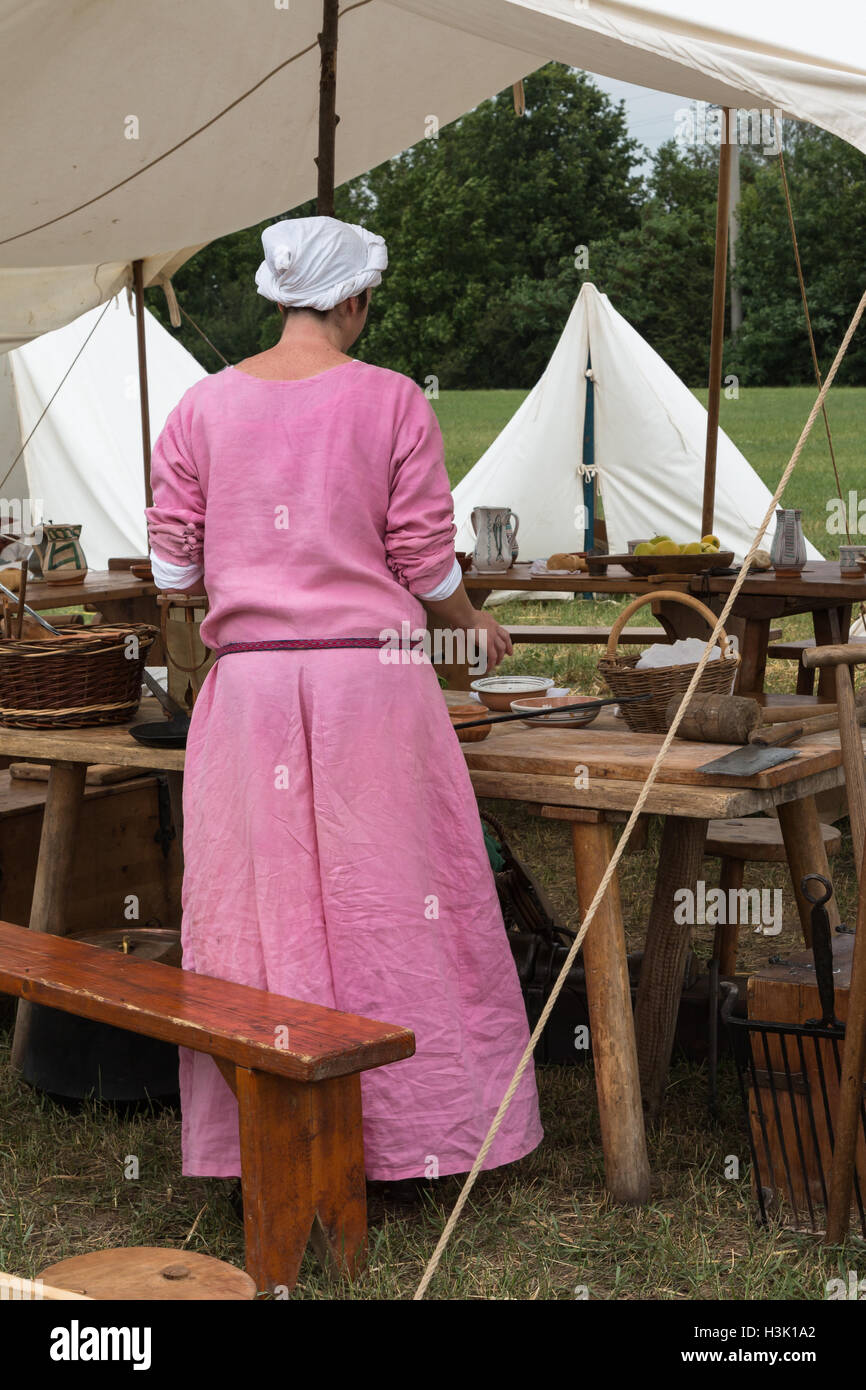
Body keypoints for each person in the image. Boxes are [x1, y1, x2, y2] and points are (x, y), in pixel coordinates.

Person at [146, 215, 542, 1187]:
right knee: (393, 903)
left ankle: (264, 1140)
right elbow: (422, 558)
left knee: (255, 911)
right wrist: (470, 623)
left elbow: (169, 567)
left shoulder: (200, 408)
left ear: (280, 296)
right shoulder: (392, 400)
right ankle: (419, 1131)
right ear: (354, 300)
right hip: (371, 684)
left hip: (248, 697)